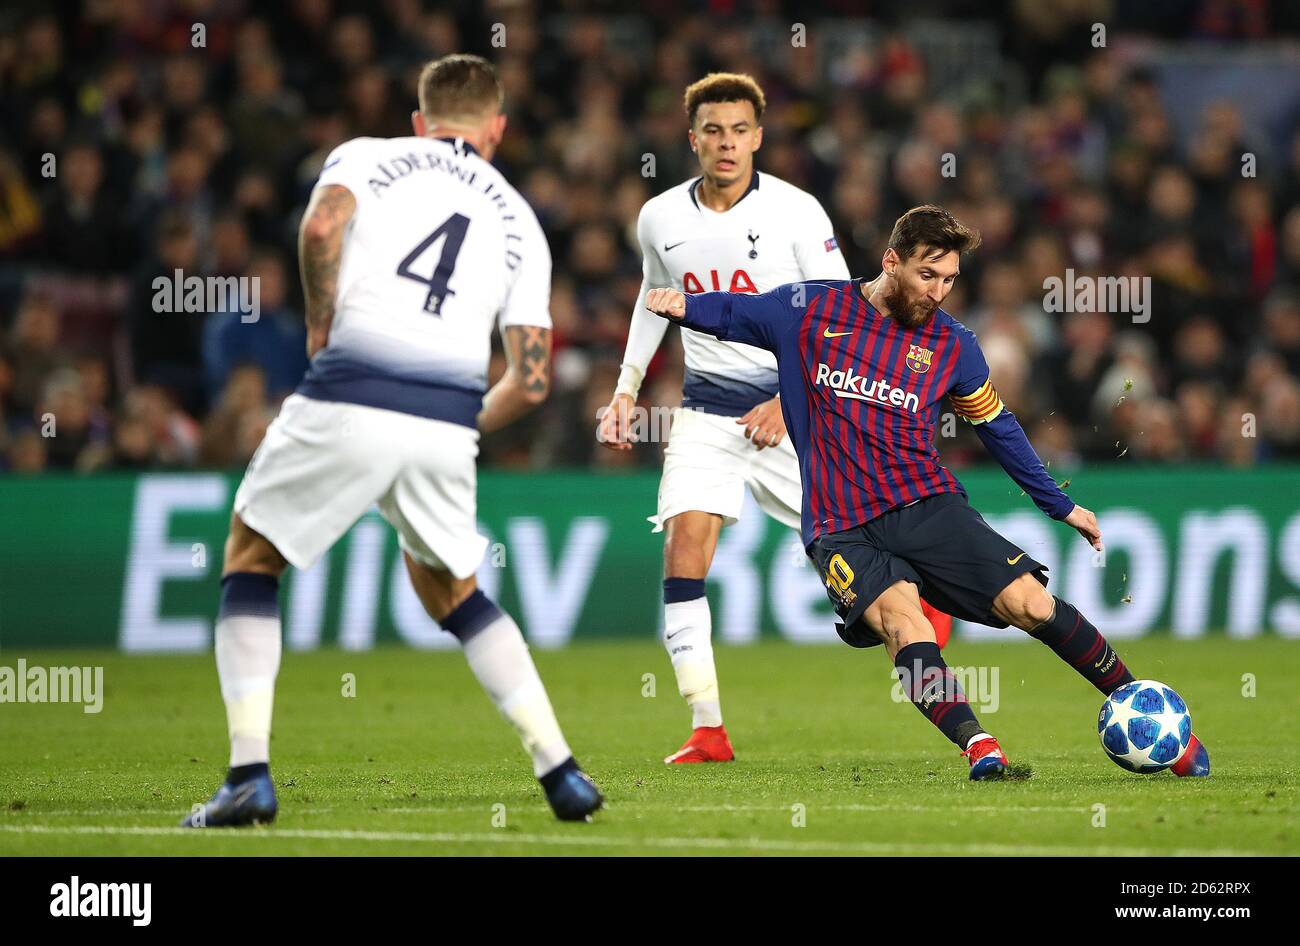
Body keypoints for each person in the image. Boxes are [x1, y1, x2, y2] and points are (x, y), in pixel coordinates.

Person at [642, 204, 1209, 779]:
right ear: (891, 261)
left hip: (928, 506)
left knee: (1030, 604)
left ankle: (1157, 720)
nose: (939, 292)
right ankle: (980, 747)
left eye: (950, 280)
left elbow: (997, 426)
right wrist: (683, 306)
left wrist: (1058, 504)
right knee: (902, 625)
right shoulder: (811, 309)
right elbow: (738, 312)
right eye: (927, 275)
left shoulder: (954, 346)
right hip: (841, 528)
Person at [182, 54, 603, 827]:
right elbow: (533, 380)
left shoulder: (367, 154)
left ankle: (248, 776)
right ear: (497, 130)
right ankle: (562, 772)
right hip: (446, 416)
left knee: (251, 553)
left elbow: (319, 226)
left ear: (421, 121)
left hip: (349, 389)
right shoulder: (520, 216)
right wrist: (452, 424)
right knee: (457, 592)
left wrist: (317, 319)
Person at [597, 73, 950, 765]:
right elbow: (652, 296)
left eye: (739, 130)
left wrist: (789, 402)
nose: (726, 144)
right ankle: (708, 728)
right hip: (706, 409)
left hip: (802, 413)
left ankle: (930, 622)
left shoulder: (796, 212)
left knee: (872, 562)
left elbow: (841, 317)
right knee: (684, 544)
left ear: (758, 136)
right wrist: (626, 387)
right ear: (691, 136)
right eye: (712, 130)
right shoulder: (660, 217)